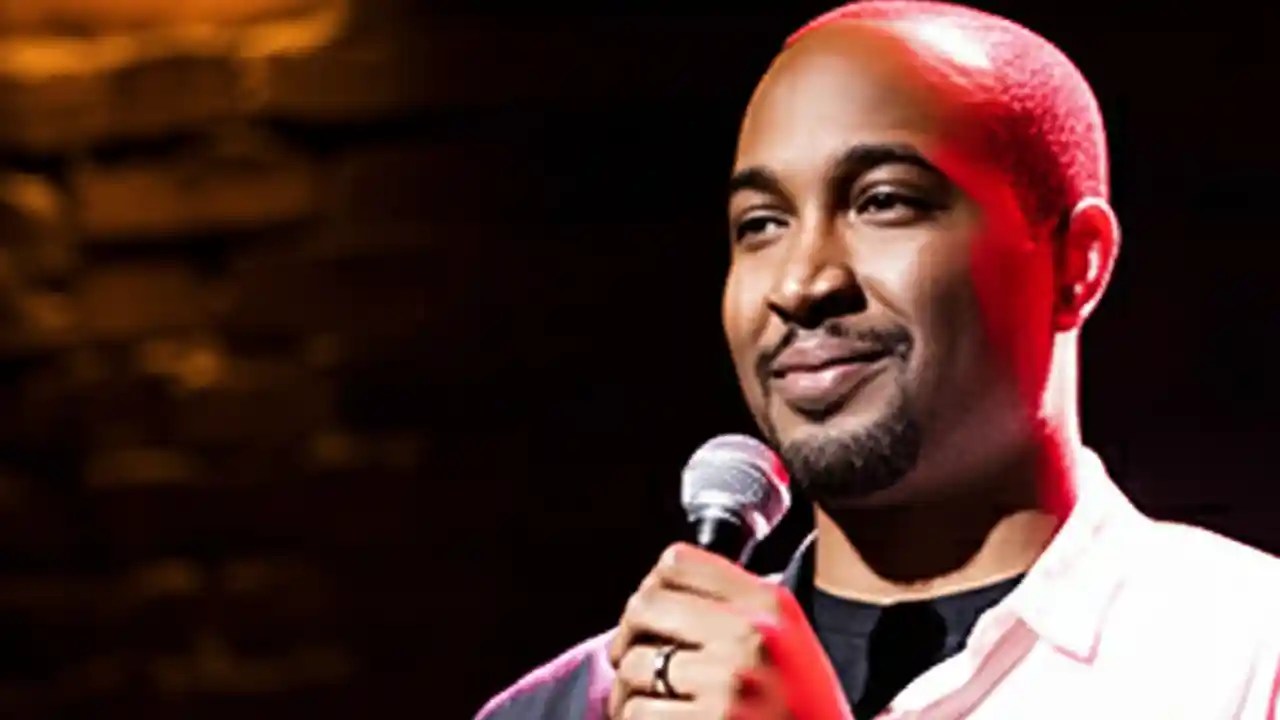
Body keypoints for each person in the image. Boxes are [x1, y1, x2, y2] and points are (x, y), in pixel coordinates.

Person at [476, 1, 1280, 718]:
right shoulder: (568, 707)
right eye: (760, 223)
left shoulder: (1246, 654)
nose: (801, 282)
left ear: (1078, 263)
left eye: (883, 202)